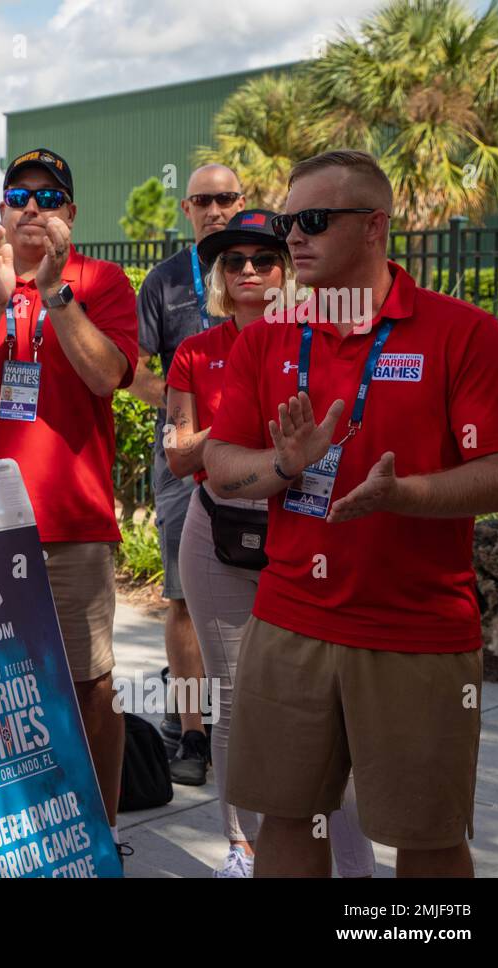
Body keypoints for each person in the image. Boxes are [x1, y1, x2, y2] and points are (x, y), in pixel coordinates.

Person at [205, 150, 498, 877]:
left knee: (429, 836)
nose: (294, 239)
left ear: (375, 226)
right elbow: (221, 465)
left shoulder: (463, 334)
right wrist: (284, 465)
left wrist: (404, 495)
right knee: (285, 817)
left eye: (313, 220)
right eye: (289, 221)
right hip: (289, 621)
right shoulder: (266, 339)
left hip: (415, 632)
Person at [0, 148, 138, 852]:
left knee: (89, 689)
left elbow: (106, 377)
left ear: (71, 214)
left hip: (72, 523)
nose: (33, 209)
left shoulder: (102, 281)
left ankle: (99, 835)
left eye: (49, 199)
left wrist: (54, 292)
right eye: (20, 196)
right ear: (2, 210)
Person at [166, 209, 373, 879]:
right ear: (220, 276)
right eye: (233, 261)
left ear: (289, 268)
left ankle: (355, 865)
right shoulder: (198, 351)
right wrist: (238, 430)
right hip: (219, 533)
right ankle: (240, 845)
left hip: (303, 535)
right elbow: (177, 455)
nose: (250, 270)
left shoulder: (325, 339)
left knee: (322, 715)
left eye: (265, 257)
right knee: (233, 698)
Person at [130, 163, 245, 784]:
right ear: (186, 209)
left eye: (227, 197)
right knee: (181, 594)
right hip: (182, 455)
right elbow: (134, 368)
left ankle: (253, 730)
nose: (216, 209)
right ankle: (194, 737)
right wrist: (185, 400)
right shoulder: (166, 280)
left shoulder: (266, 268)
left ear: (243, 199)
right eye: (204, 200)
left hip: (259, 458)